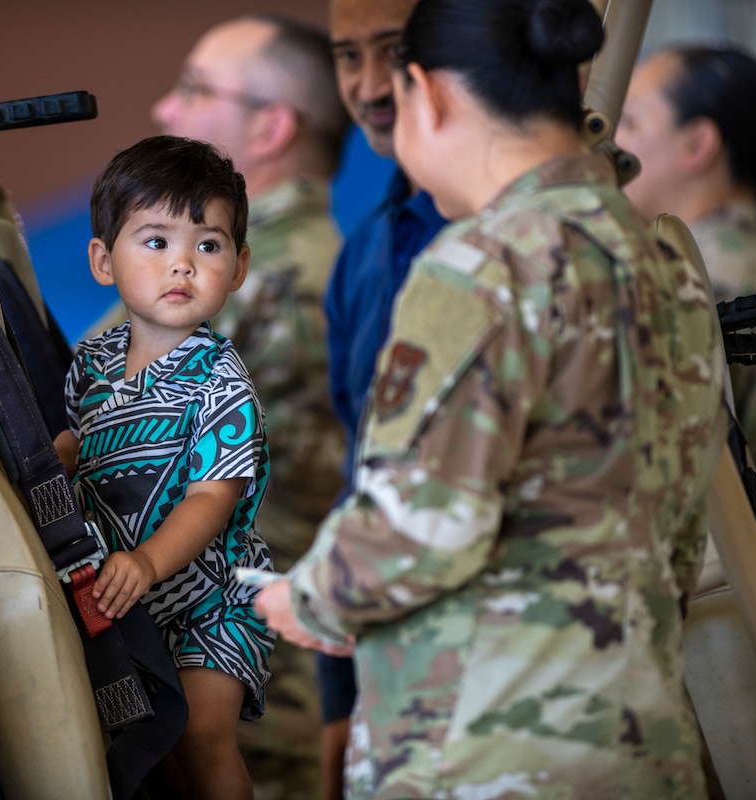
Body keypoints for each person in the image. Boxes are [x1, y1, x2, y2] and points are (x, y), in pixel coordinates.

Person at [255, 0, 727, 797]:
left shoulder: (477, 265)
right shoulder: (662, 259)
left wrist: (307, 598)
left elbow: (419, 524)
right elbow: (681, 529)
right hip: (642, 740)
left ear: (426, 94)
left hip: (482, 753)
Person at [146, 14, 351, 797]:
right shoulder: (254, 268)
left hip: (242, 695)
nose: (167, 111)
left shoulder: (264, 282)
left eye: (196, 90)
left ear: (271, 126)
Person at [54, 135, 275, 800]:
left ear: (237, 267)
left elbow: (212, 499)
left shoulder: (221, 381)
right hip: (128, 595)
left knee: (202, 733)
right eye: (156, 243)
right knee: (154, 744)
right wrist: (42, 467)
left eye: (207, 246)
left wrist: (148, 562)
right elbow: (79, 441)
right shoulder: (95, 360)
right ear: (102, 260)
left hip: (212, 599)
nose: (182, 265)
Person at [317, 1, 447, 795]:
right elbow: (358, 475)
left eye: (392, 51)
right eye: (346, 56)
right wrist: (342, 701)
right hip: (389, 684)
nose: (369, 86)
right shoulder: (364, 251)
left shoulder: (524, 239)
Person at [617, 42, 756, 525]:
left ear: (697, 145)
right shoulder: (742, 257)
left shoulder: (710, 280)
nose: (611, 147)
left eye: (630, 123)